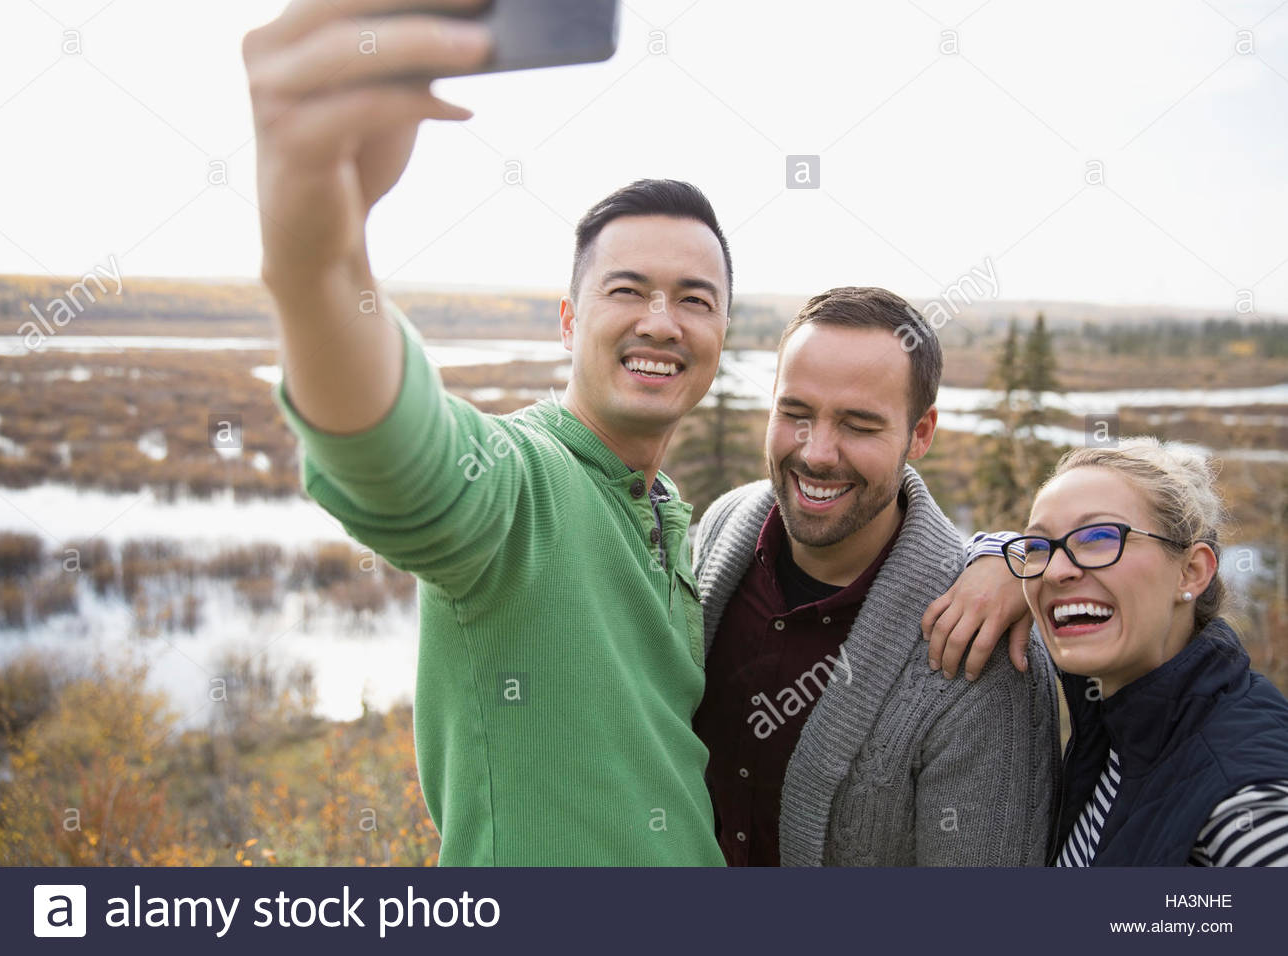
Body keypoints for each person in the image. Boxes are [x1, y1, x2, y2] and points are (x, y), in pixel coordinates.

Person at [245, 0, 1030, 866]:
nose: (663, 321)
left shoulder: (687, 522)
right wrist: (316, 247)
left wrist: (1009, 555)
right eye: (628, 290)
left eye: (695, 299)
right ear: (568, 318)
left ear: (722, 335)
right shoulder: (520, 486)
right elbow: (398, 455)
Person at [692, 287, 1060, 866]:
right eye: (795, 413)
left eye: (859, 425)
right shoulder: (723, 529)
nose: (817, 453)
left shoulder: (976, 651)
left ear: (921, 433)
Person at [998, 438, 1288, 866]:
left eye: (1099, 537)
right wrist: (984, 558)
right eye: (1037, 547)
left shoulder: (1246, 795)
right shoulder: (1111, 731)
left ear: (1191, 572)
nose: (1057, 570)